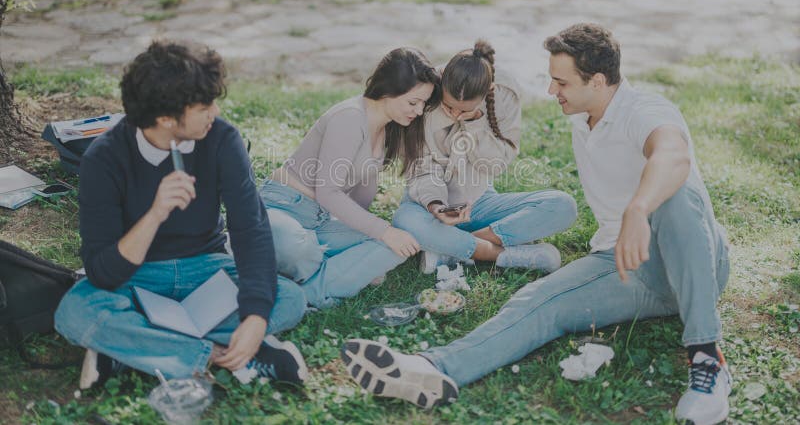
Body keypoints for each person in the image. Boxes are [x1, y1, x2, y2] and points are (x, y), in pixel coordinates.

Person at [342, 24, 732, 425]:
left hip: (697, 259)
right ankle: (433, 369)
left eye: (560, 82)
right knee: (536, 300)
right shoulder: (585, 121)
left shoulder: (647, 111)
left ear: (597, 82)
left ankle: (706, 359)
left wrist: (639, 210)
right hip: (630, 268)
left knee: (677, 194)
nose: (551, 91)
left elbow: (672, 156)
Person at [55, 40, 308, 389]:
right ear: (165, 119)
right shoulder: (104, 159)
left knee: (289, 297)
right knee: (74, 311)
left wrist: (255, 317)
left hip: (207, 269)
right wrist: (155, 214)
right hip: (138, 277)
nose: (215, 113)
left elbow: (251, 230)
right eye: (204, 106)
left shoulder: (221, 139)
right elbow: (102, 271)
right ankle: (213, 355)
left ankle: (125, 348)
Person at [261, 47, 440, 308]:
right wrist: (382, 231)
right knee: (299, 248)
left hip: (322, 220)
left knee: (396, 247)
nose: (420, 111)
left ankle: (305, 291)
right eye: (414, 102)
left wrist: (375, 235)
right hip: (287, 207)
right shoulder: (350, 117)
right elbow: (328, 192)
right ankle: (328, 271)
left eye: (424, 103)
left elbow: (360, 199)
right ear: (389, 90)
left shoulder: (387, 128)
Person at [391, 40, 577, 273]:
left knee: (562, 206)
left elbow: (494, 166)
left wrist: (475, 123)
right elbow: (421, 169)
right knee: (405, 220)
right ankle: (493, 253)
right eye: (450, 107)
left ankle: (449, 248)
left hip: (477, 202)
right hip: (428, 205)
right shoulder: (425, 92)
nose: (457, 114)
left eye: (465, 110)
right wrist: (437, 207)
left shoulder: (504, 93)